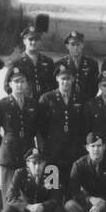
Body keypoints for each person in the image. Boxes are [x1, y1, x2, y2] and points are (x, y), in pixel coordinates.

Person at [0, 66, 42, 212]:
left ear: (27, 84)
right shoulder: (2, 104)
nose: (20, 85)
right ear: (10, 84)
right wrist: (4, 146)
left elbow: (36, 129)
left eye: (22, 82)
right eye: (16, 82)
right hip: (9, 156)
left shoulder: (33, 104)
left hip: (27, 154)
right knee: (9, 195)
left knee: (26, 192)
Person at [38, 62, 85, 191]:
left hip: (74, 153)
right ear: (57, 79)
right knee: (51, 189)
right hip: (53, 153)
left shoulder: (80, 99)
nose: (66, 82)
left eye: (69, 78)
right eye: (63, 78)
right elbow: (42, 126)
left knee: (72, 189)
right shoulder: (47, 99)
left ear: (73, 79)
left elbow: (84, 125)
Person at [3, 147, 62, 212]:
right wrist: (28, 207)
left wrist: (42, 206)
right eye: (34, 163)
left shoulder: (51, 174)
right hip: (27, 211)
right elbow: (10, 196)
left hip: (44, 211)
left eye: (40, 163)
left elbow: (57, 198)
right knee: (8, 210)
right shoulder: (20, 173)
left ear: (45, 163)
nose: (37, 166)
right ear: (27, 163)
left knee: (58, 211)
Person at [4, 25, 55, 100]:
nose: (33, 42)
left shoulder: (48, 61)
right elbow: (7, 85)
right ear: (24, 41)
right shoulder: (16, 62)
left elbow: (54, 83)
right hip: (26, 104)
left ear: (40, 41)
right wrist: (19, 98)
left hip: (45, 103)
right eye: (30, 39)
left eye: (37, 39)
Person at [56, 30, 99, 104]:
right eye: (72, 44)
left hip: (86, 103)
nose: (75, 47)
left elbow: (94, 86)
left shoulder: (92, 64)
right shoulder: (60, 64)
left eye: (78, 44)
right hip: (67, 103)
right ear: (67, 46)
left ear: (82, 45)